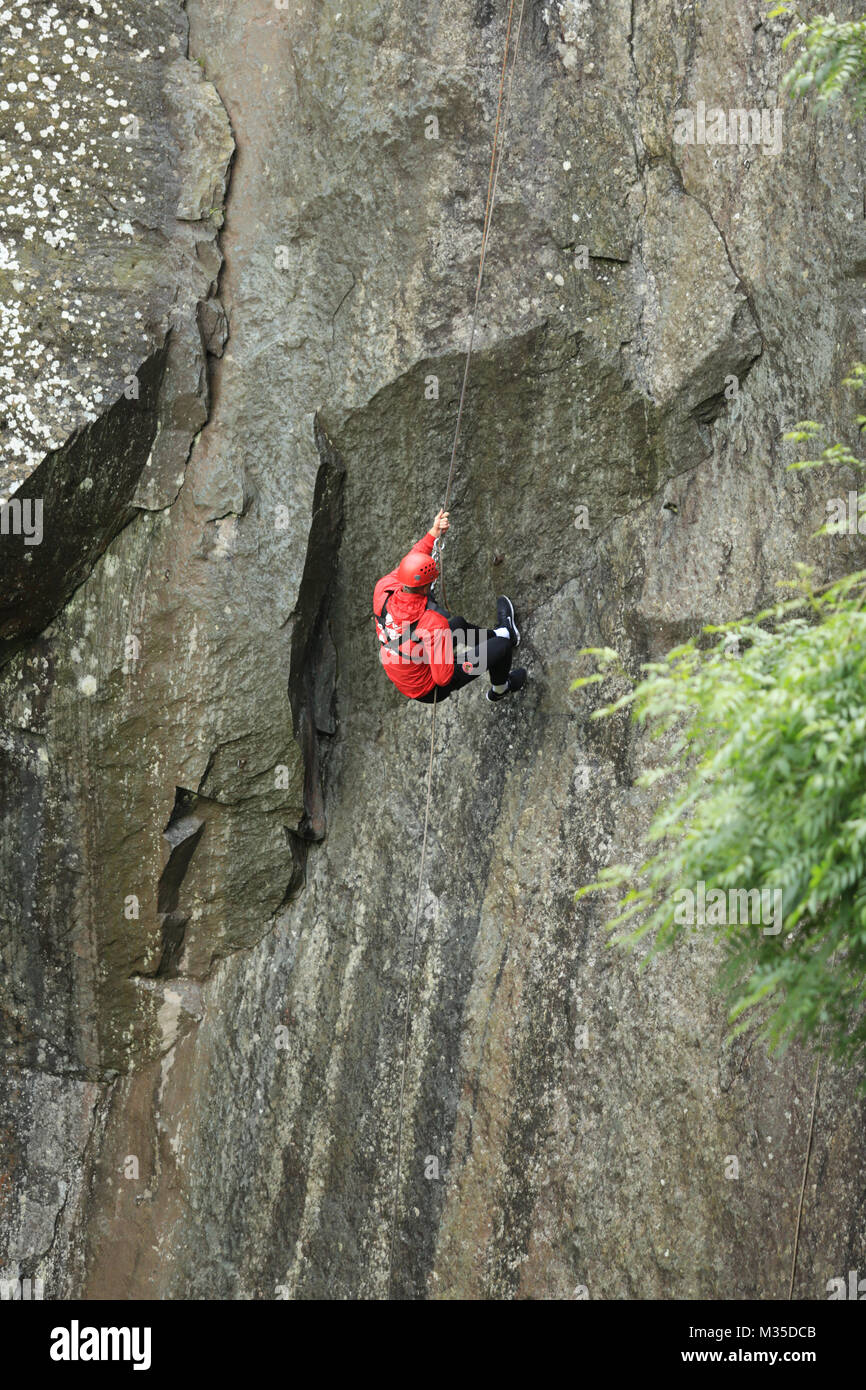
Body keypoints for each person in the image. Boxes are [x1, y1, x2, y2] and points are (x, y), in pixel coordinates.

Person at [373, 508, 527, 704]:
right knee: (502, 649)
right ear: (426, 587)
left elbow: (414, 558)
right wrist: (443, 650)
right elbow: (443, 677)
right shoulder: (432, 623)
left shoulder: (384, 589)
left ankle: (504, 633)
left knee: (459, 625)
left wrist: (433, 533)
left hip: (408, 666)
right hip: (430, 687)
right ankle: (501, 688)